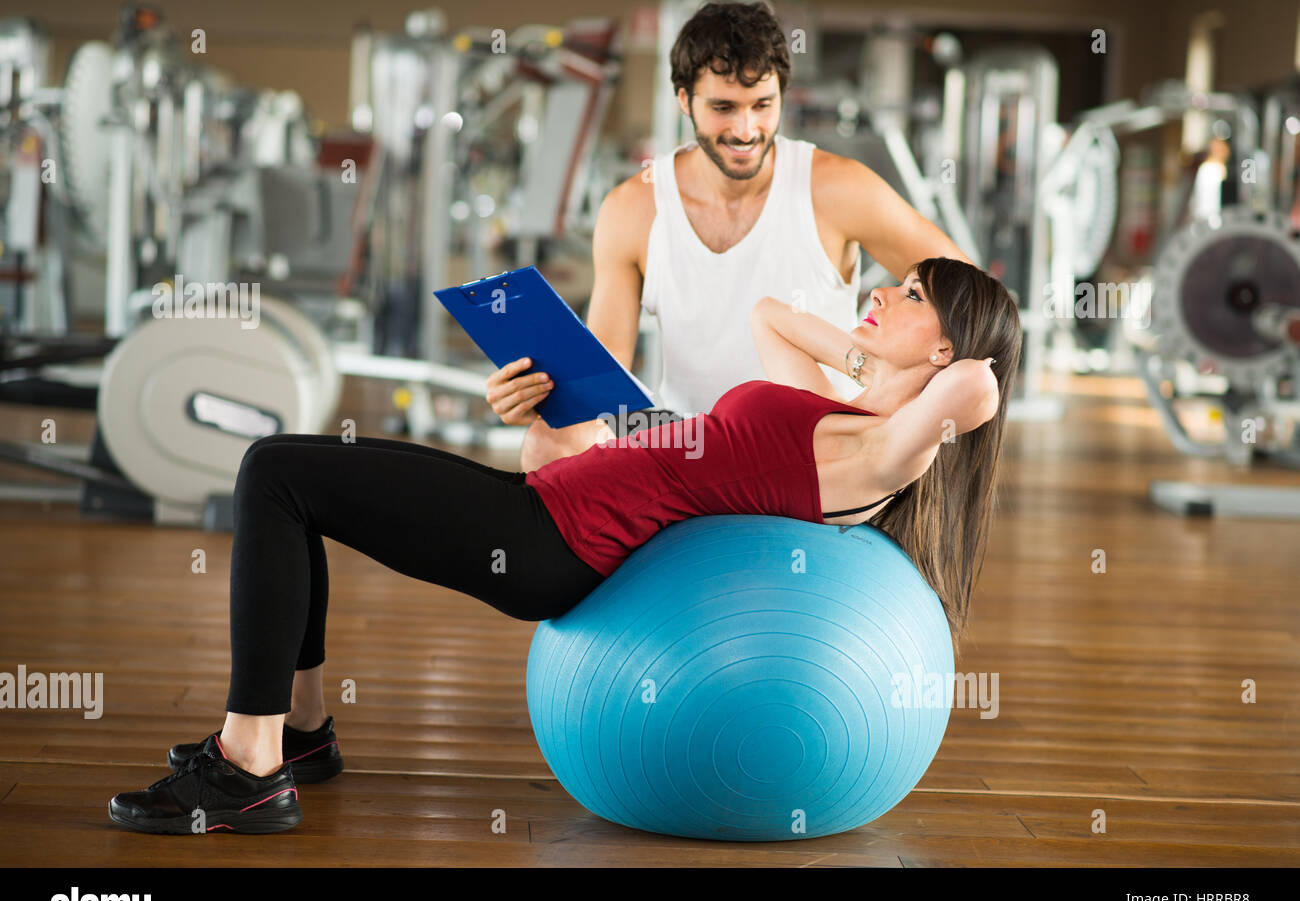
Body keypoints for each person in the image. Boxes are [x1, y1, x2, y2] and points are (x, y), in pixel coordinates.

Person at [107, 257, 1020, 835]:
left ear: (944, 346)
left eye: (908, 295)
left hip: (549, 540)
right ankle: (295, 738)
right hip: (543, 500)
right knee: (293, 487)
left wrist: (945, 377)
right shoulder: (838, 411)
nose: (879, 292)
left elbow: (972, 394)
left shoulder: (874, 454)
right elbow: (772, 316)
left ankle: (250, 765)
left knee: (275, 470)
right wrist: (881, 358)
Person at [487, 1, 973, 471]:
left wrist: (898, 394)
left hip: (813, 442)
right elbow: (604, 372)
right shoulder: (632, 208)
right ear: (684, 101)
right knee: (550, 441)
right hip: (685, 436)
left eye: (763, 105)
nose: (746, 129)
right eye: (723, 107)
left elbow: (968, 292)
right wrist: (535, 396)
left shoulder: (838, 187)